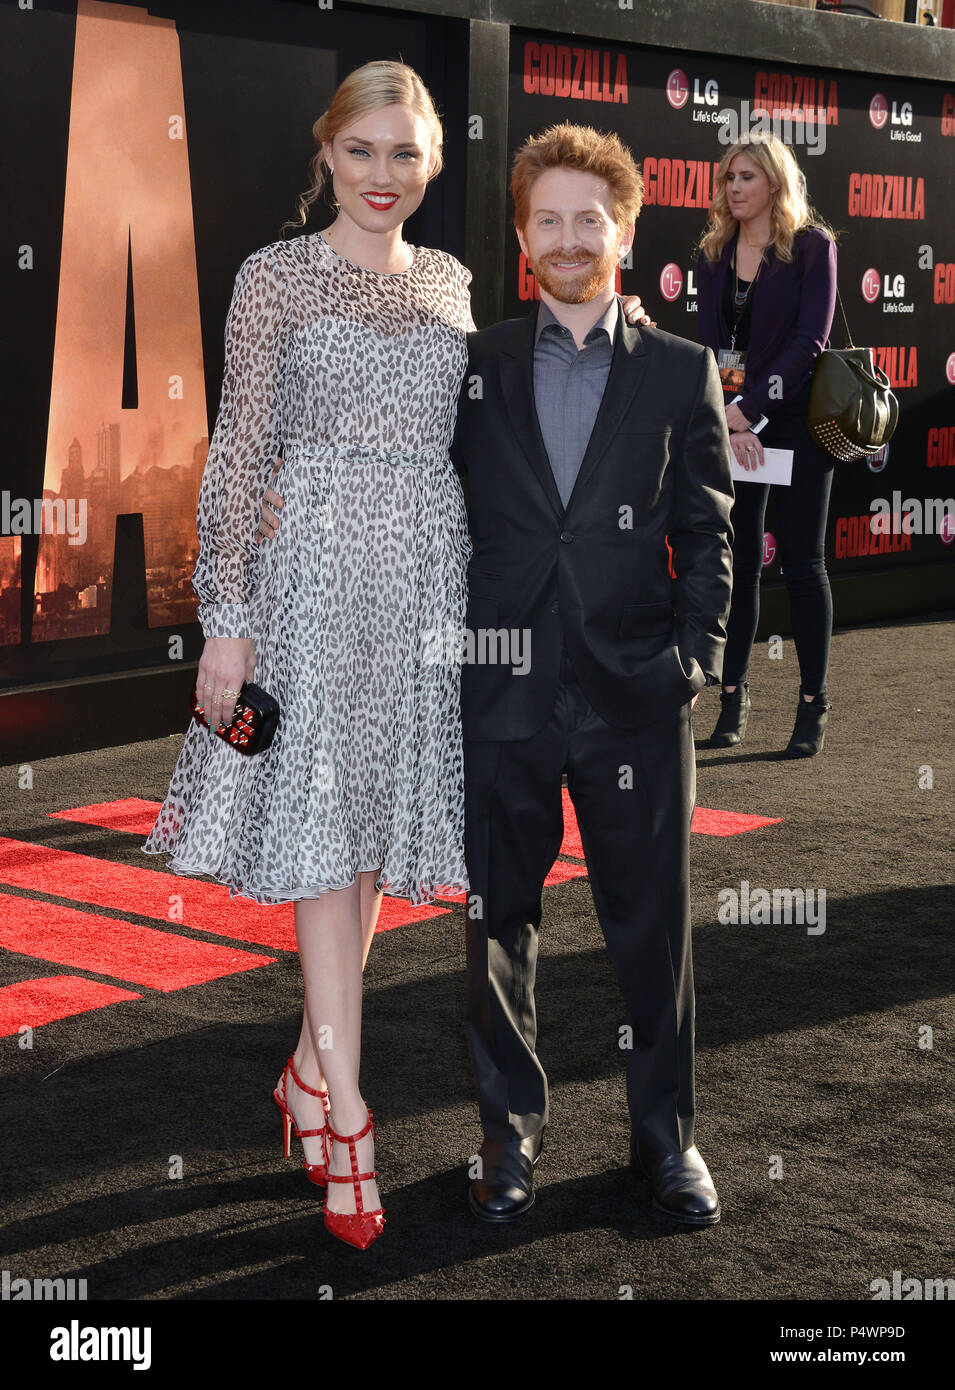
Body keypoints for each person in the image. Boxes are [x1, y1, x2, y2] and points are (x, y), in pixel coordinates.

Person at [264, 124, 733, 1224]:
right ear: (521, 237)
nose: (569, 241)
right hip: (501, 686)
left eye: (590, 220)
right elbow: (377, 448)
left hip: (633, 692)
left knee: (652, 933)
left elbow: (710, 537)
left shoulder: (679, 371)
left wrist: (693, 664)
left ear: (623, 230)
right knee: (496, 929)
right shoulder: (470, 366)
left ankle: (667, 1144)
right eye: (548, 221)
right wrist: (285, 488)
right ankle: (505, 1140)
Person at [141, 60, 477, 1250]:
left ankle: (304, 1071)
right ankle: (344, 1112)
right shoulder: (273, 276)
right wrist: (223, 611)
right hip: (312, 581)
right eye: (363, 151)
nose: (384, 176)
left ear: (433, 160)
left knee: (370, 836)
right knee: (328, 843)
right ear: (326, 152)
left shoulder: (452, 281)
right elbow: (236, 453)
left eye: (407, 153)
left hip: (423, 582)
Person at [695, 133, 838, 757]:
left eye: (746, 177)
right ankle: (734, 696)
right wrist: (729, 417)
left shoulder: (812, 248)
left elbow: (810, 341)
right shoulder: (713, 253)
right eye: (729, 178)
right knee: (742, 560)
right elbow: (708, 345)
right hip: (734, 423)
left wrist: (750, 410)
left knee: (803, 563)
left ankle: (812, 703)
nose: (734, 188)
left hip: (793, 423)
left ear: (775, 183)